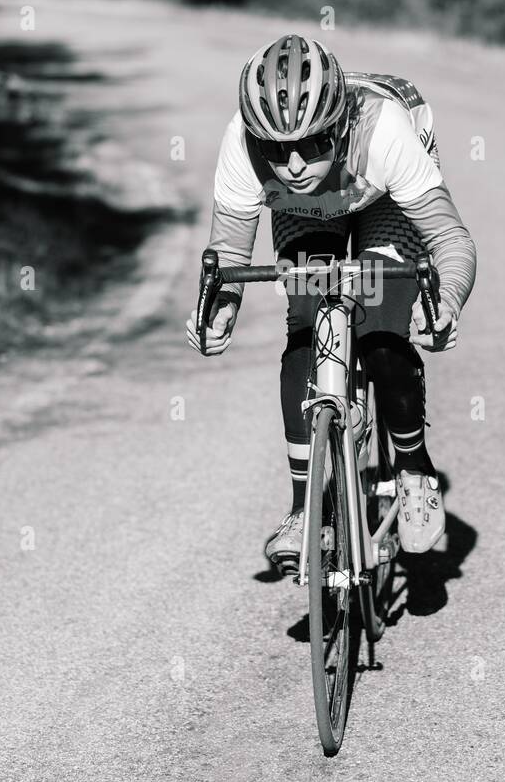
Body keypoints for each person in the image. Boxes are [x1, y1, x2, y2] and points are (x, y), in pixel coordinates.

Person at [186, 33, 476, 565]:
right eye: (277, 149)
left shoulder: (383, 132)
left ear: (338, 125)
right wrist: (220, 310)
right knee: (306, 319)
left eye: (311, 144)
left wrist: (447, 301)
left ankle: (413, 469)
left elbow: (451, 241)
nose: (293, 164)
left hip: (380, 195)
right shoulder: (244, 143)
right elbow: (228, 251)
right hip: (308, 210)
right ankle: (304, 511)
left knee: (382, 325)